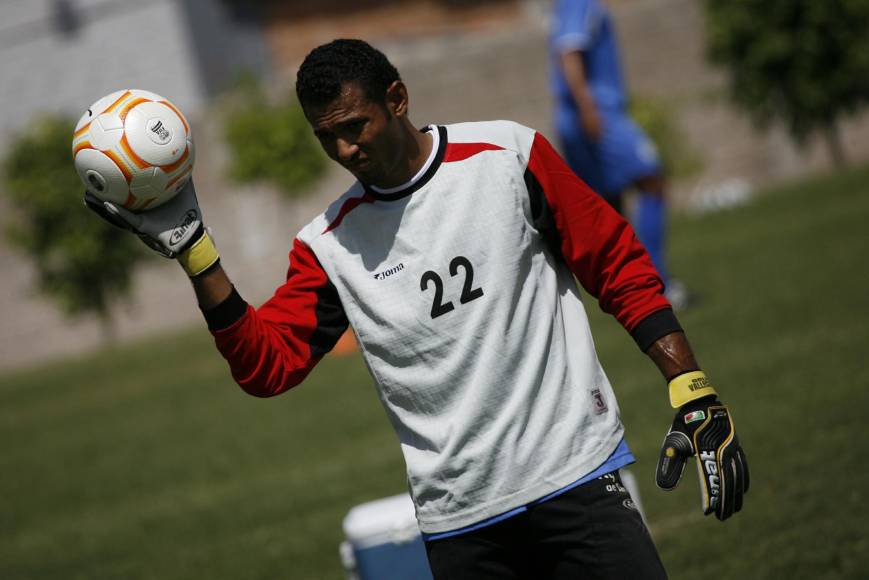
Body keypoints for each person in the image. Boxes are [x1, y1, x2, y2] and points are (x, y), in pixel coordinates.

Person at [85, 39, 748, 580]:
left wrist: (692, 392)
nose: (345, 150)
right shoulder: (328, 247)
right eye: (327, 138)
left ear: (396, 97)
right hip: (460, 525)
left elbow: (618, 267)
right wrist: (197, 255)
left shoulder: (508, 157)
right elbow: (266, 366)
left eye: (354, 126)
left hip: (574, 481)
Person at [550, 0, 690, 307]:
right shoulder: (578, 2)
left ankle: (632, 290)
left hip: (581, 115)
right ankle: (656, 283)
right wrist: (588, 108)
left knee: (608, 205)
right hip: (597, 113)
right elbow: (570, 54)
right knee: (651, 181)